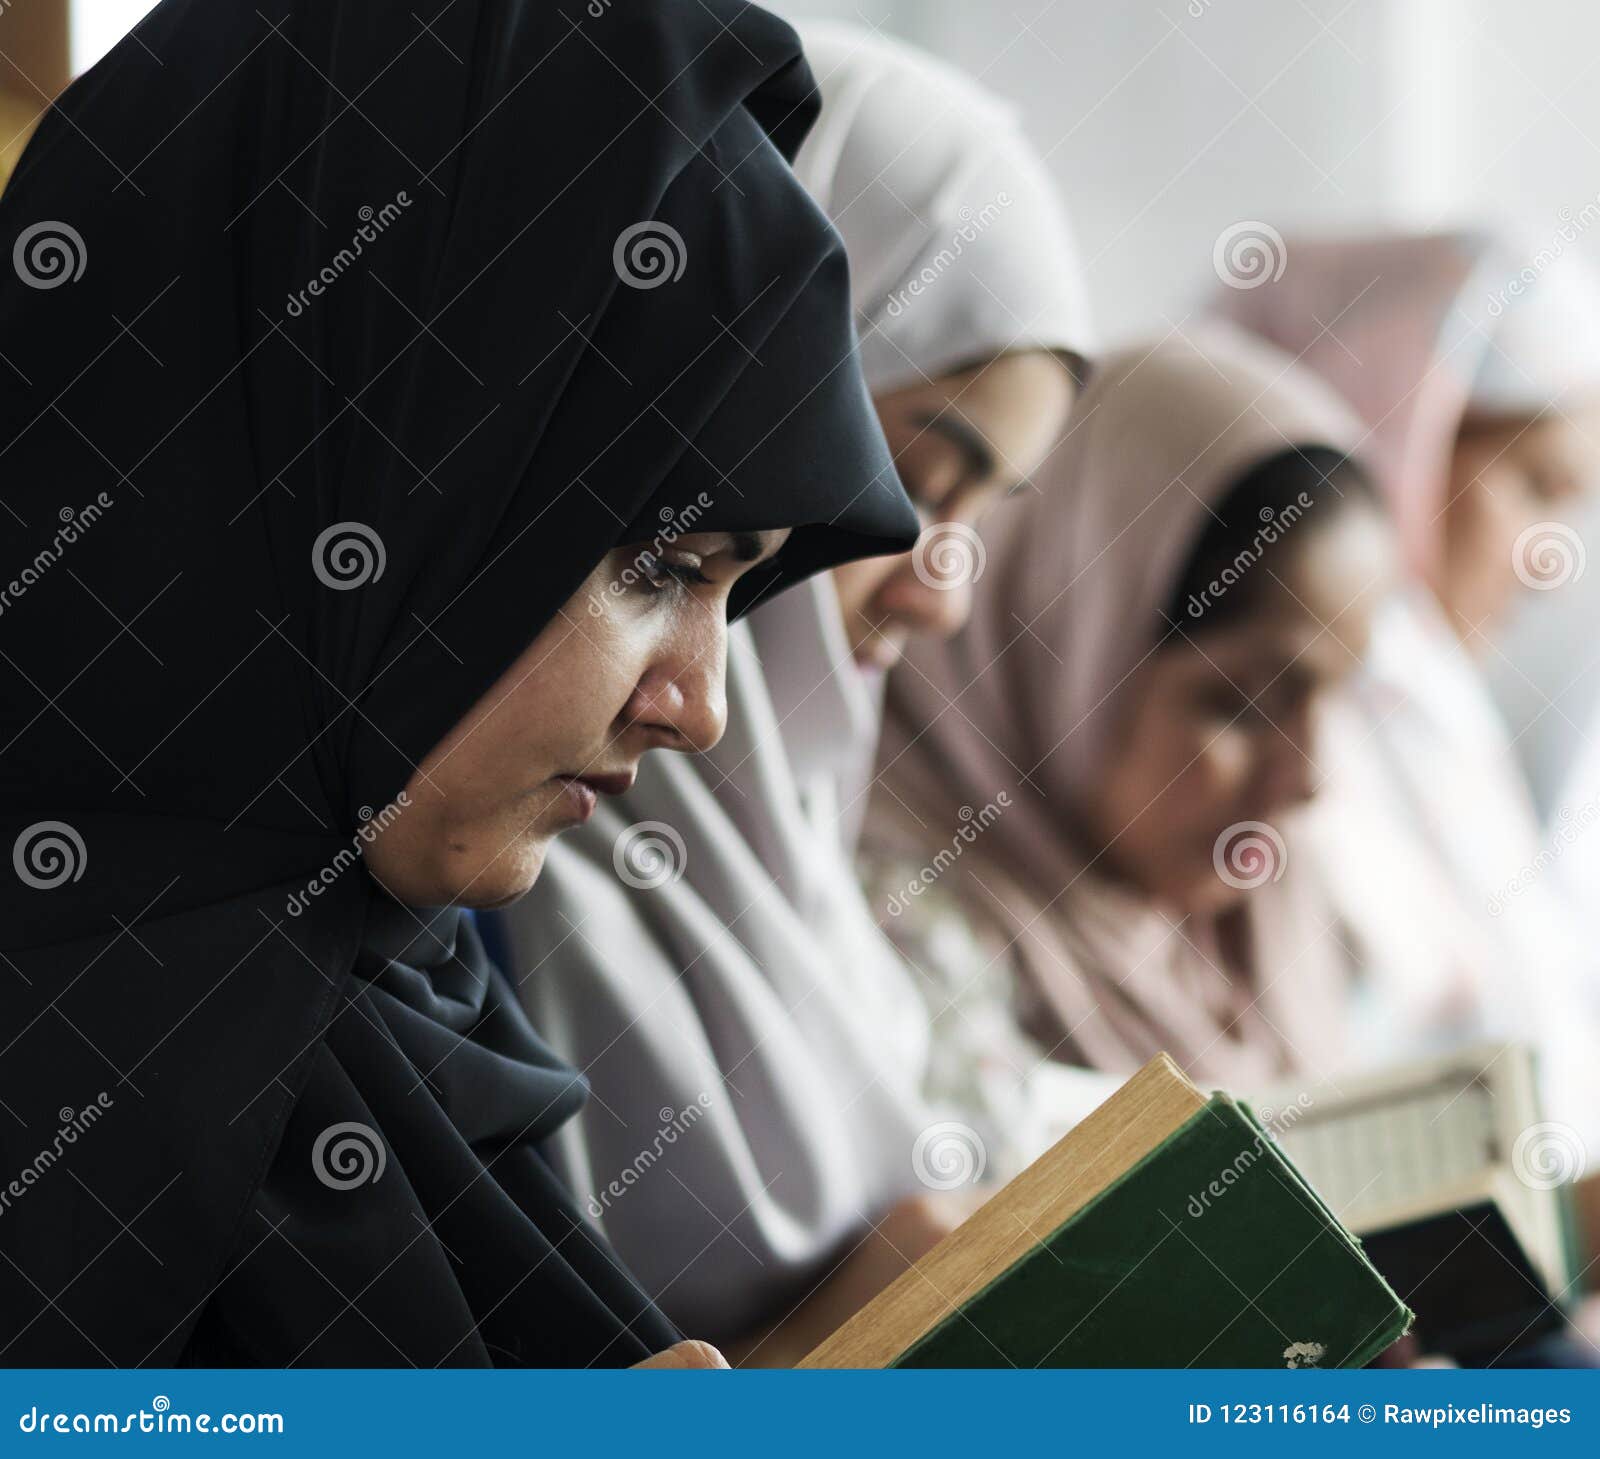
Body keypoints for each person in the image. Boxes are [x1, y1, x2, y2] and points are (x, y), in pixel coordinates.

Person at [0, 0, 919, 1367]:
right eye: (658, 564)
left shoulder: (400, 997)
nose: (699, 706)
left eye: (739, 588)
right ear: (356, 475)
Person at [495, 21, 1091, 1365]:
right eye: (913, 482)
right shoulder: (482, 860)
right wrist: (869, 1313)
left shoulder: (815, 872)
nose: (942, 587)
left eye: (984, 512)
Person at [862, 326, 1400, 1181]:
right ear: (1061, 643)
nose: (1309, 778)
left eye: (1339, 697)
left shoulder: (1265, 924)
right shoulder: (898, 940)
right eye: (1244, 705)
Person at [1212, 231, 1600, 1143]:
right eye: (1536, 485)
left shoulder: (1439, 711)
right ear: (1402, 428)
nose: (1553, 562)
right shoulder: (1284, 729)